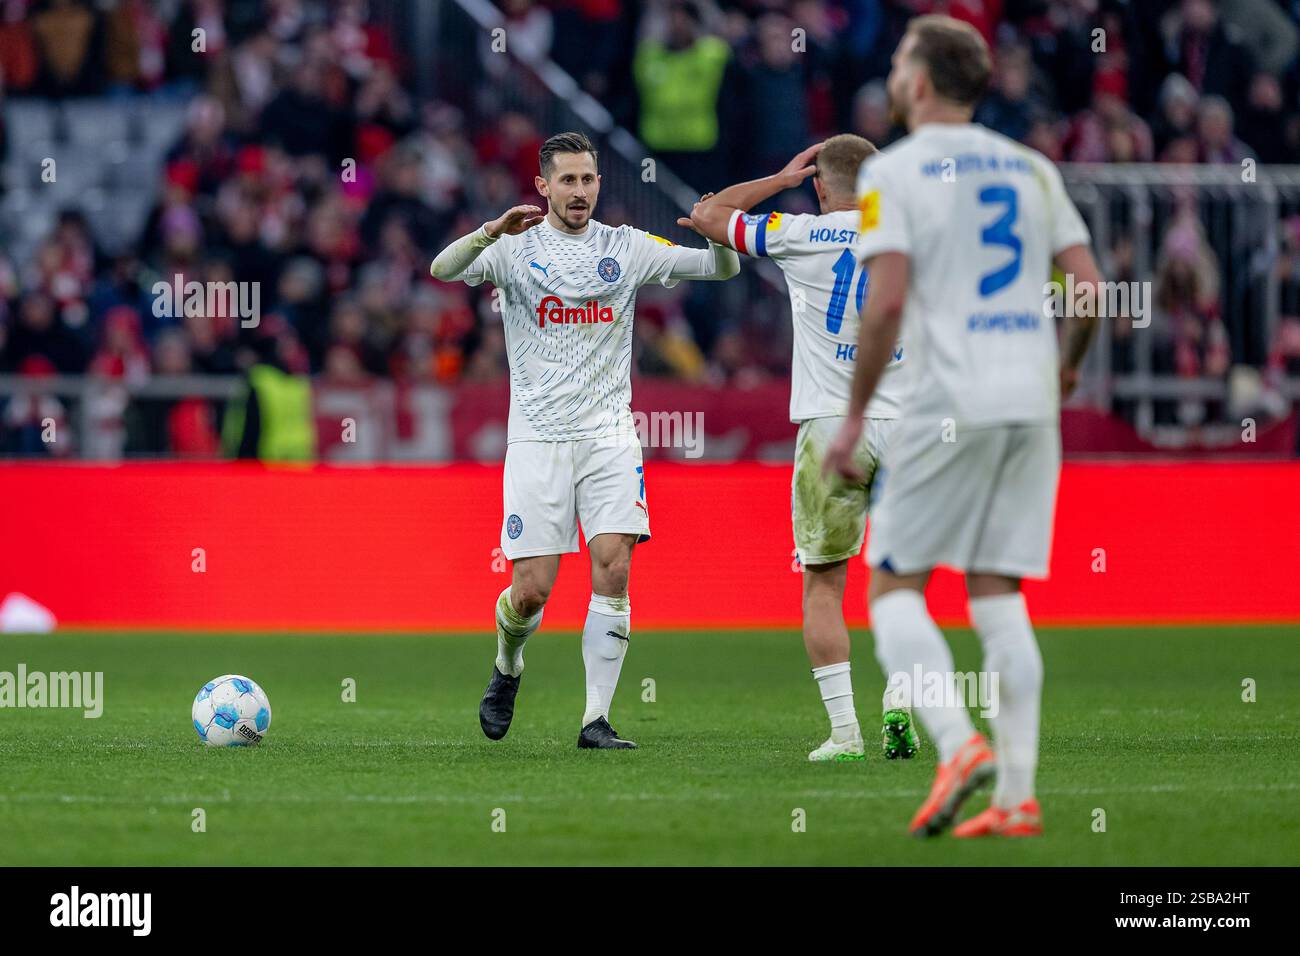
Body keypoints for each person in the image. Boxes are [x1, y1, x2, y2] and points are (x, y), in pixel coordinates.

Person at [822, 15, 1102, 837]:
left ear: (917, 81)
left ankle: (955, 744)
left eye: (902, 63)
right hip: (1029, 400)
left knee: (894, 588)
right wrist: (1065, 370)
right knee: (998, 594)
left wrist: (855, 415)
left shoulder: (895, 173)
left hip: (948, 402)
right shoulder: (1031, 169)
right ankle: (1017, 798)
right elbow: (1086, 290)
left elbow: (890, 300)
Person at [430, 131, 739, 750]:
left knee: (614, 566)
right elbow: (442, 268)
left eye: (588, 180)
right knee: (531, 591)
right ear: (543, 187)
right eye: (567, 181)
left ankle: (594, 720)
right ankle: (507, 667)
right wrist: (492, 230)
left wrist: (716, 230)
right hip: (538, 441)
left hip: (609, 436)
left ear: (600, 184)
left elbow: (719, 268)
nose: (579, 192)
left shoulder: (625, 248)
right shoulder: (514, 250)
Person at [687, 135, 917, 764]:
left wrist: (778, 177)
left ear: (820, 186)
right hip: (906, 423)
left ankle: (845, 735)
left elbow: (707, 213)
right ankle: (900, 698)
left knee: (823, 583)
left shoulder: (796, 233)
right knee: (900, 583)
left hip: (829, 427)